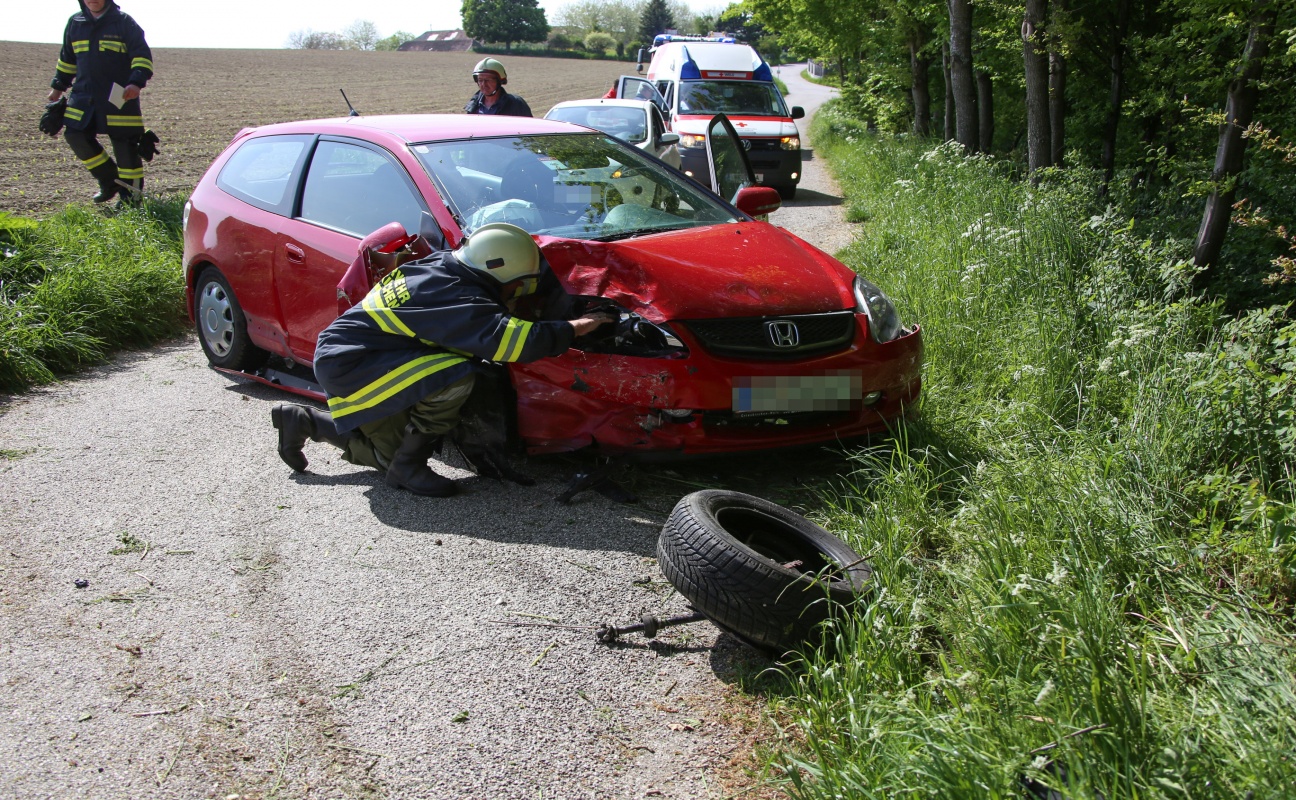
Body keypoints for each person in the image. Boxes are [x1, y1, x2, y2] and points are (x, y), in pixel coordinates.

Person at [271, 223, 613, 497]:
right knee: (455, 376)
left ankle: (304, 421)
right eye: (518, 285)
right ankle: (407, 466)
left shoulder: (444, 267)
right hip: (356, 366)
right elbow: (511, 342)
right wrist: (577, 326)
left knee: (406, 424)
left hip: (361, 354)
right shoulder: (456, 297)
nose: (518, 292)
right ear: (499, 271)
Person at [46, 0, 153, 204]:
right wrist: (58, 87)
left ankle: (131, 200)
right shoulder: (75, 23)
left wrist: (135, 83)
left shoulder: (124, 22)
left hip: (120, 98)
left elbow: (142, 58)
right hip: (83, 96)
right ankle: (109, 180)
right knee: (75, 135)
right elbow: (68, 60)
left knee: (125, 147)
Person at [463, 58, 532, 117]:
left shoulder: (516, 104)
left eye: (488, 80)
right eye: (480, 80)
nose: (484, 84)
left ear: (499, 81)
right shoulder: (473, 105)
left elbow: (529, 126)